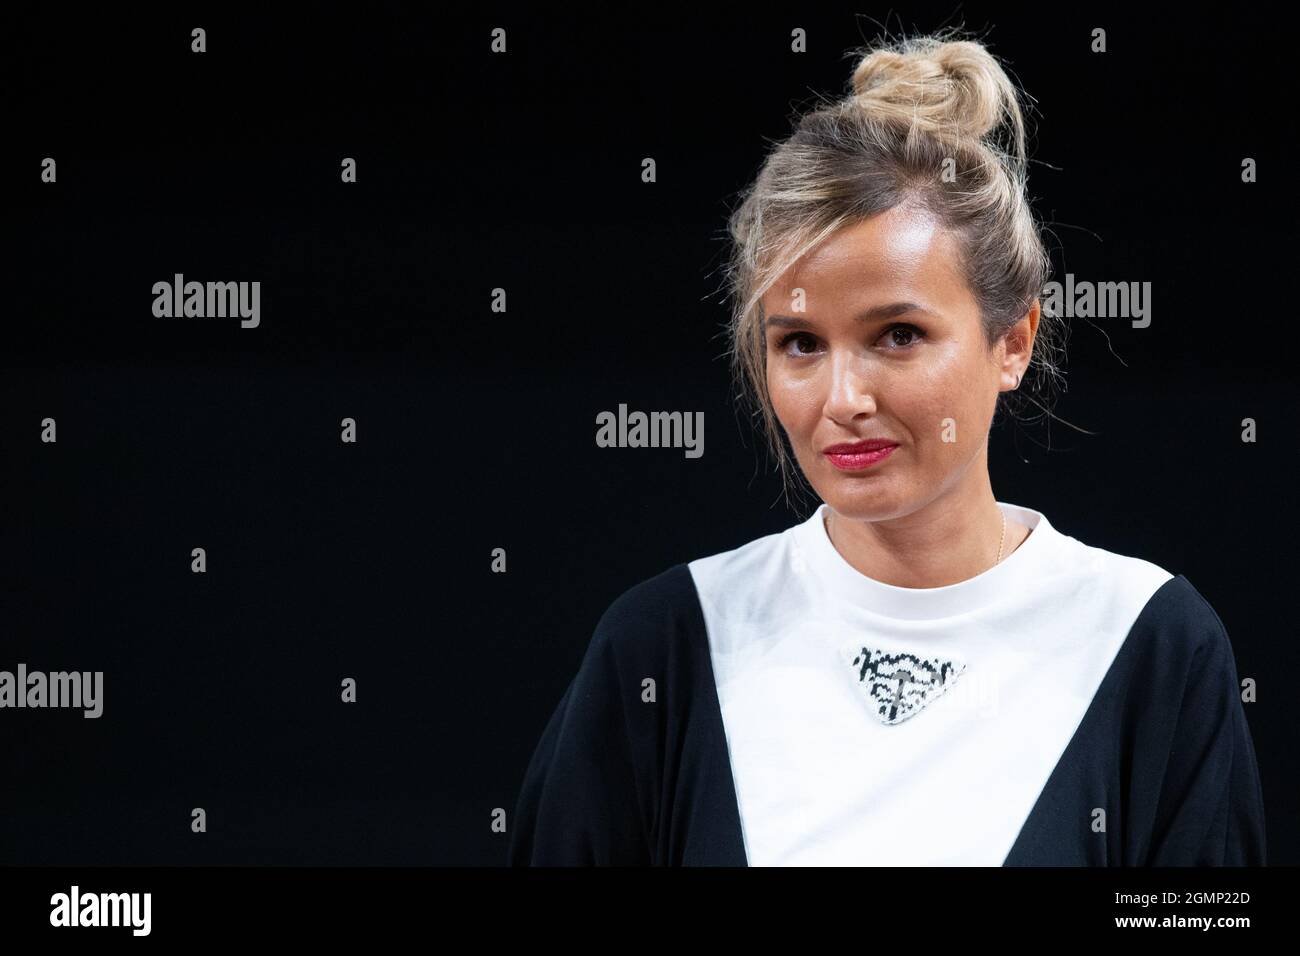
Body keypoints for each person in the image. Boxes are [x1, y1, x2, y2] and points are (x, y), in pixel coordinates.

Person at [508, 31, 1266, 866]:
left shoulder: (1149, 643)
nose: (843, 400)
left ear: (1012, 341)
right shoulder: (667, 645)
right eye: (799, 343)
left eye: (898, 334)